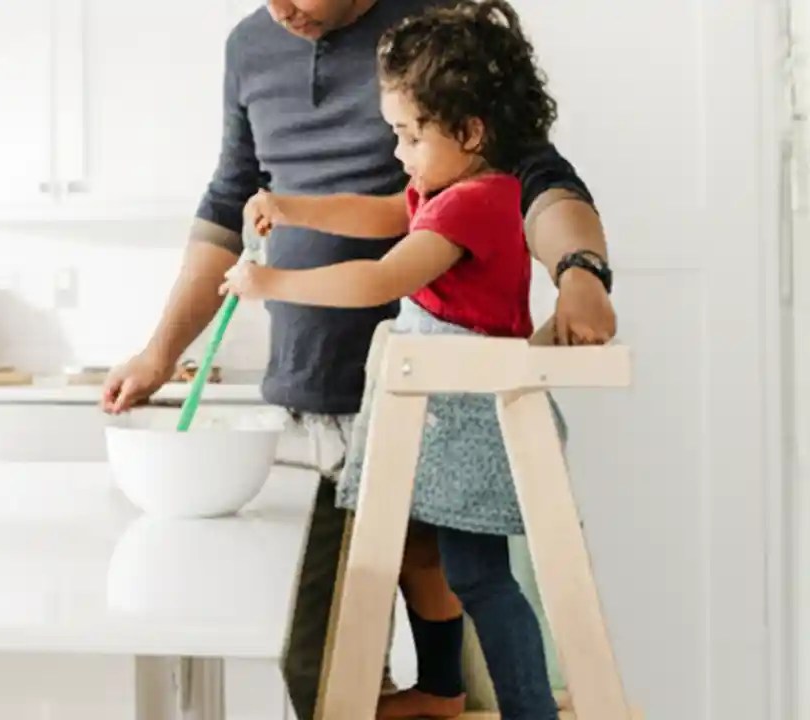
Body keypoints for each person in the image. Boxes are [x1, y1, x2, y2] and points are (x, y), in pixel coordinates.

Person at [101, 0, 616, 717]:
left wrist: (581, 272)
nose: (278, 8)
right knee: (332, 657)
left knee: (467, 594)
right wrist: (166, 347)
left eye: (406, 136)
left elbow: (525, 188)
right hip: (327, 402)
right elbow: (332, 205)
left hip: (442, 415)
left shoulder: (442, 53)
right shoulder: (253, 47)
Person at [221, 1, 572, 717]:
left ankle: (528, 708)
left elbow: (380, 277)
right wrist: (292, 207)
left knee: (479, 581)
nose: (400, 154)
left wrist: (271, 282)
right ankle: (451, 693)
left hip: (467, 420)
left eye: (410, 137)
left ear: (470, 131)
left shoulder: (479, 201)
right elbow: (382, 214)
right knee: (448, 569)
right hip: (438, 414)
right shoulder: (445, 189)